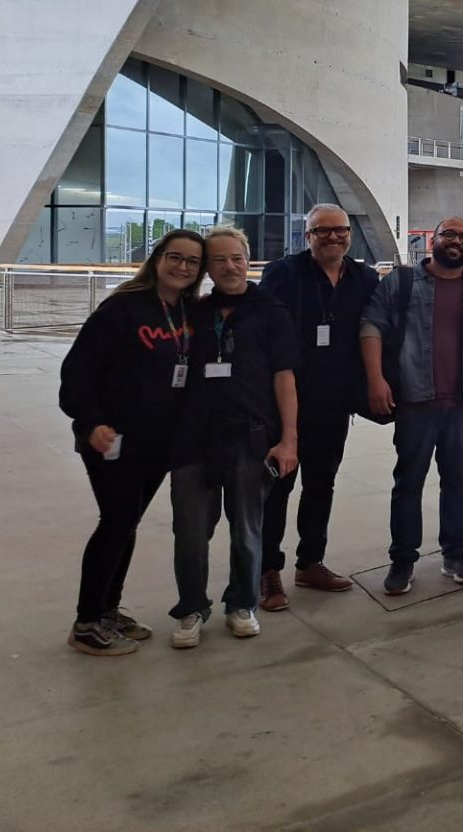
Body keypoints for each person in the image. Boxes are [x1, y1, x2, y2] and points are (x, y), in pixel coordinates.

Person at [59, 229, 206, 655]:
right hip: (112, 439)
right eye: (174, 257)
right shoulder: (122, 308)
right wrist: (91, 422)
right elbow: (77, 372)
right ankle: (86, 623)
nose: (182, 267)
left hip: (157, 444)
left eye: (192, 262)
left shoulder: (187, 311)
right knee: (116, 521)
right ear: (157, 259)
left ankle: (107, 609)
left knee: (126, 523)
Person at [170, 226, 300, 647]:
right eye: (219, 260)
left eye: (237, 259)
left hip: (250, 438)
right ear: (207, 266)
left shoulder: (271, 312)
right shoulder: (195, 314)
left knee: (247, 530)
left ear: (248, 261)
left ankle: (242, 603)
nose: (229, 267)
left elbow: (284, 378)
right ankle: (191, 608)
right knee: (190, 531)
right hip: (194, 440)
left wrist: (289, 440)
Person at [362, 218, 463, 595]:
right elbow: (371, 326)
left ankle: (455, 553)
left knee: (458, 483)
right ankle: (403, 560)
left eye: (462, 236)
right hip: (415, 402)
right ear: (432, 242)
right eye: (448, 234)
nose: (455, 241)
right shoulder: (401, 282)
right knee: (408, 484)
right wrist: (376, 380)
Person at [256, 204, 378, 611]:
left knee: (321, 485)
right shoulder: (283, 273)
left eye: (339, 230)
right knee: (277, 488)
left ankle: (310, 562)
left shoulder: (363, 278)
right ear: (307, 236)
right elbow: (264, 332)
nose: (333, 237)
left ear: (349, 234)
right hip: (284, 404)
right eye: (322, 231)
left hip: (333, 403)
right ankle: (267, 570)